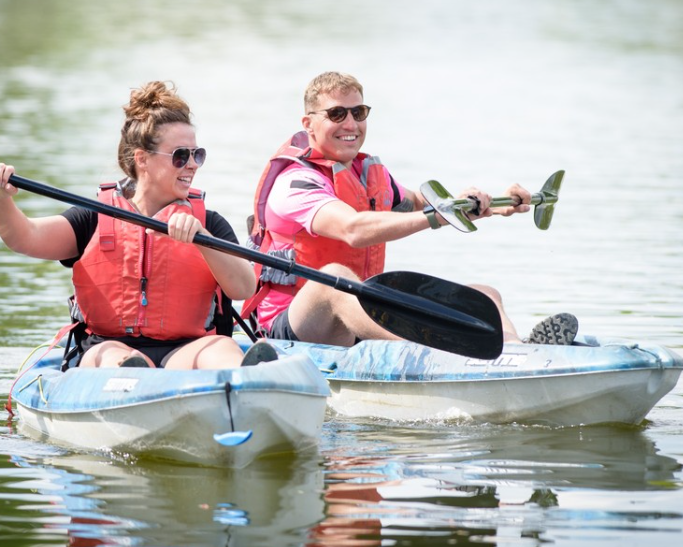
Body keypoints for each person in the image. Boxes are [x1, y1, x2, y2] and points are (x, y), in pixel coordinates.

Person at [245, 71, 578, 347]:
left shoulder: (367, 174)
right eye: (336, 114)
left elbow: (418, 203)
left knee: (484, 296)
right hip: (292, 329)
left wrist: (484, 203)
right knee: (334, 280)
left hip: (359, 319)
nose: (350, 124)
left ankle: (514, 353)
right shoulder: (296, 183)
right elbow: (353, 229)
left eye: (358, 113)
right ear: (308, 123)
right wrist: (438, 217)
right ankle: (438, 344)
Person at [0, 80, 276, 369]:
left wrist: (202, 239)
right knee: (110, 356)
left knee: (222, 348)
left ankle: (249, 380)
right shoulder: (93, 217)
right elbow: (24, 237)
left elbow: (243, 288)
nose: (192, 164)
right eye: (180, 156)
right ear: (142, 159)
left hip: (186, 351)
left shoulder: (208, 223)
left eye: (197, 154)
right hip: (109, 347)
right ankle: (132, 374)